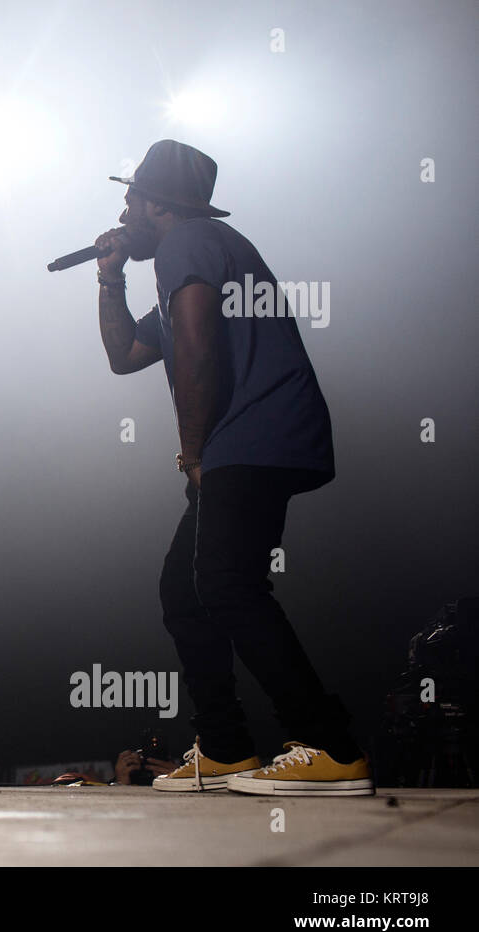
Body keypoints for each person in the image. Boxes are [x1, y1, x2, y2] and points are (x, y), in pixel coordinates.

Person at [91, 140, 373, 795]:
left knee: (226, 584)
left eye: (131, 195)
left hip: (251, 438)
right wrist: (109, 277)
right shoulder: (195, 249)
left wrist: (192, 452)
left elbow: (195, 346)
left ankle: (331, 747)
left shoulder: (187, 243)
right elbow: (126, 354)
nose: (123, 206)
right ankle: (223, 749)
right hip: (248, 439)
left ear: (157, 203)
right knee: (185, 592)